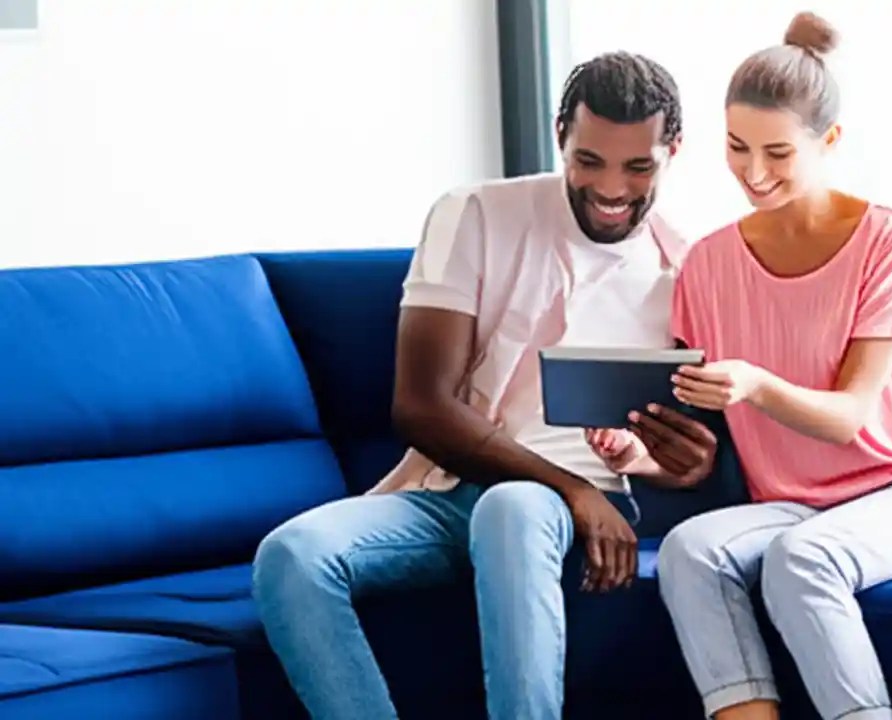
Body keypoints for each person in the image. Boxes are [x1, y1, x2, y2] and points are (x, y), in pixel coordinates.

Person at [251, 51, 721, 720]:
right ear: (561, 133)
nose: (611, 189)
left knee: (514, 508)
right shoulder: (474, 213)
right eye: (589, 161)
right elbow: (420, 408)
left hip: (565, 516)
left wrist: (684, 465)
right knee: (291, 554)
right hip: (447, 492)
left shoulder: (690, 265)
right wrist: (573, 487)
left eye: (638, 166)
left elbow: (677, 459)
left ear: (673, 151)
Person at [648, 12, 892, 720]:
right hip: (791, 505)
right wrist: (638, 446)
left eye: (777, 152)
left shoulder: (887, 239)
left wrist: (752, 381)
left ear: (829, 141)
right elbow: (695, 429)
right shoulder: (707, 263)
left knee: (803, 561)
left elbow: (847, 418)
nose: (753, 173)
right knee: (690, 550)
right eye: (737, 147)